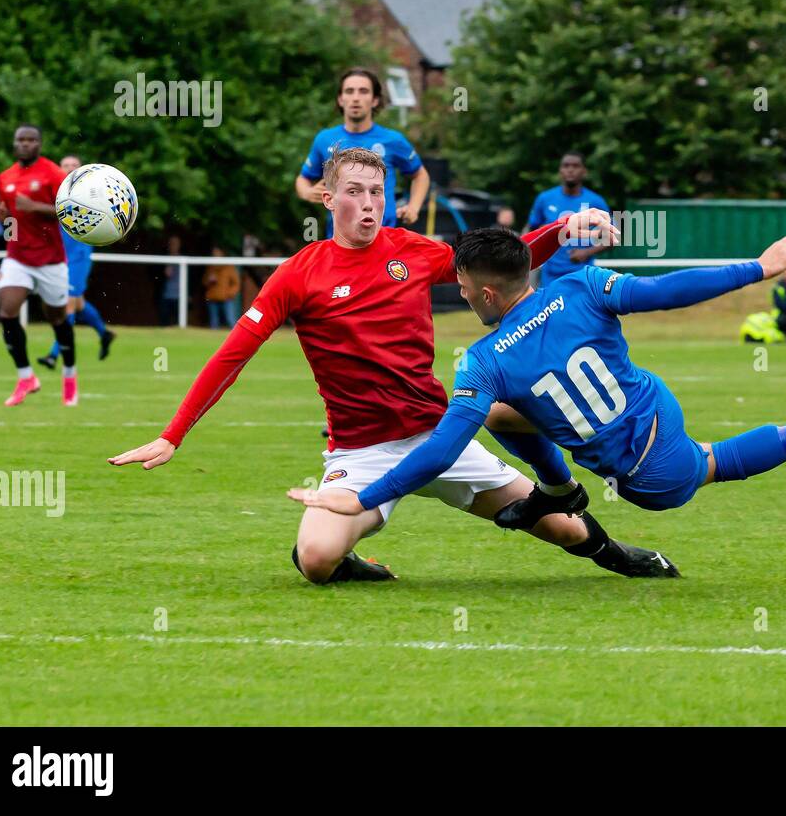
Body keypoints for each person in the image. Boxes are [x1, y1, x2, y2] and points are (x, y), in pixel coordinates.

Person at [110, 148, 672, 583]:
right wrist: (173, 435)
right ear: (328, 199)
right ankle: (354, 563)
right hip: (361, 453)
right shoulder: (297, 275)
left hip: (439, 436)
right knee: (315, 559)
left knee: (564, 528)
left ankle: (623, 556)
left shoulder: (414, 250)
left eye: (377, 191)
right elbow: (233, 354)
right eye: (354, 191)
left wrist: (560, 230)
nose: (370, 203)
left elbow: (499, 264)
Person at [287, 227, 786, 532]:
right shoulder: (582, 286)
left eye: (459, 286)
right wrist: (758, 266)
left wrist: (361, 497)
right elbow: (668, 292)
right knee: (504, 412)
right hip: (651, 405)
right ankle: (556, 491)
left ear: (481, 292)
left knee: (716, 463)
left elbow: (446, 449)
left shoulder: (482, 362)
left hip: (648, 476)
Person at [0, 125, 78, 407]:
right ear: (15, 143)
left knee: (57, 318)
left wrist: (36, 207)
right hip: (17, 256)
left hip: (51, 260)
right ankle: (26, 377)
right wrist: (4, 218)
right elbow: (11, 228)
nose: (26, 144)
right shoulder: (4, 177)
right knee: (7, 311)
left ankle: (69, 374)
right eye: (21, 140)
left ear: (39, 144)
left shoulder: (54, 173)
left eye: (31, 140)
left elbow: (70, 211)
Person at [295, 68, 431, 238]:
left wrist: (413, 207)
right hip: (339, 239)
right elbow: (302, 179)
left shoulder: (393, 140)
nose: (356, 98)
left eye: (363, 91)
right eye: (349, 91)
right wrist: (307, 192)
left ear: (375, 100)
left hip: (384, 238)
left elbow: (420, 175)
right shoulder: (324, 139)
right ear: (340, 99)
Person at [38, 155, 115, 369]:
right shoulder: (53, 195)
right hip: (59, 258)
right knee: (78, 302)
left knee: (68, 304)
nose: (69, 169)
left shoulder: (88, 194)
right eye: (65, 165)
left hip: (78, 258)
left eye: (74, 166)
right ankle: (104, 333)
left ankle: (54, 354)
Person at [527, 153, 610, 289]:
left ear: (584, 171)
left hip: (583, 275)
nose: (570, 169)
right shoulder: (545, 198)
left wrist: (586, 252)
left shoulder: (596, 201)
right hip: (551, 276)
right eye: (566, 166)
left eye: (575, 166)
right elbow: (532, 229)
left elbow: (613, 236)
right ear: (560, 170)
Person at [202, 246, 241, 329]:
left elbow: (236, 283)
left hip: (226, 298)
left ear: (222, 254)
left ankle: (236, 338)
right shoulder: (210, 267)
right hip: (212, 298)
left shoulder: (229, 267)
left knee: (230, 320)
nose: (215, 255)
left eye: (217, 253)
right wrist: (209, 280)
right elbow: (204, 282)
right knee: (214, 322)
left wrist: (229, 294)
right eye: (213, 253)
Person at [160, 235, 182, 326]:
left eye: (175, 243)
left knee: (178, 322)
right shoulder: (162, 260)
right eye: (172, 243)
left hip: (179, 296)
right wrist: (163, 273)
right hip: (166, 295)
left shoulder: (183, 260)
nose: (173, 245)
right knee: (164, 321)